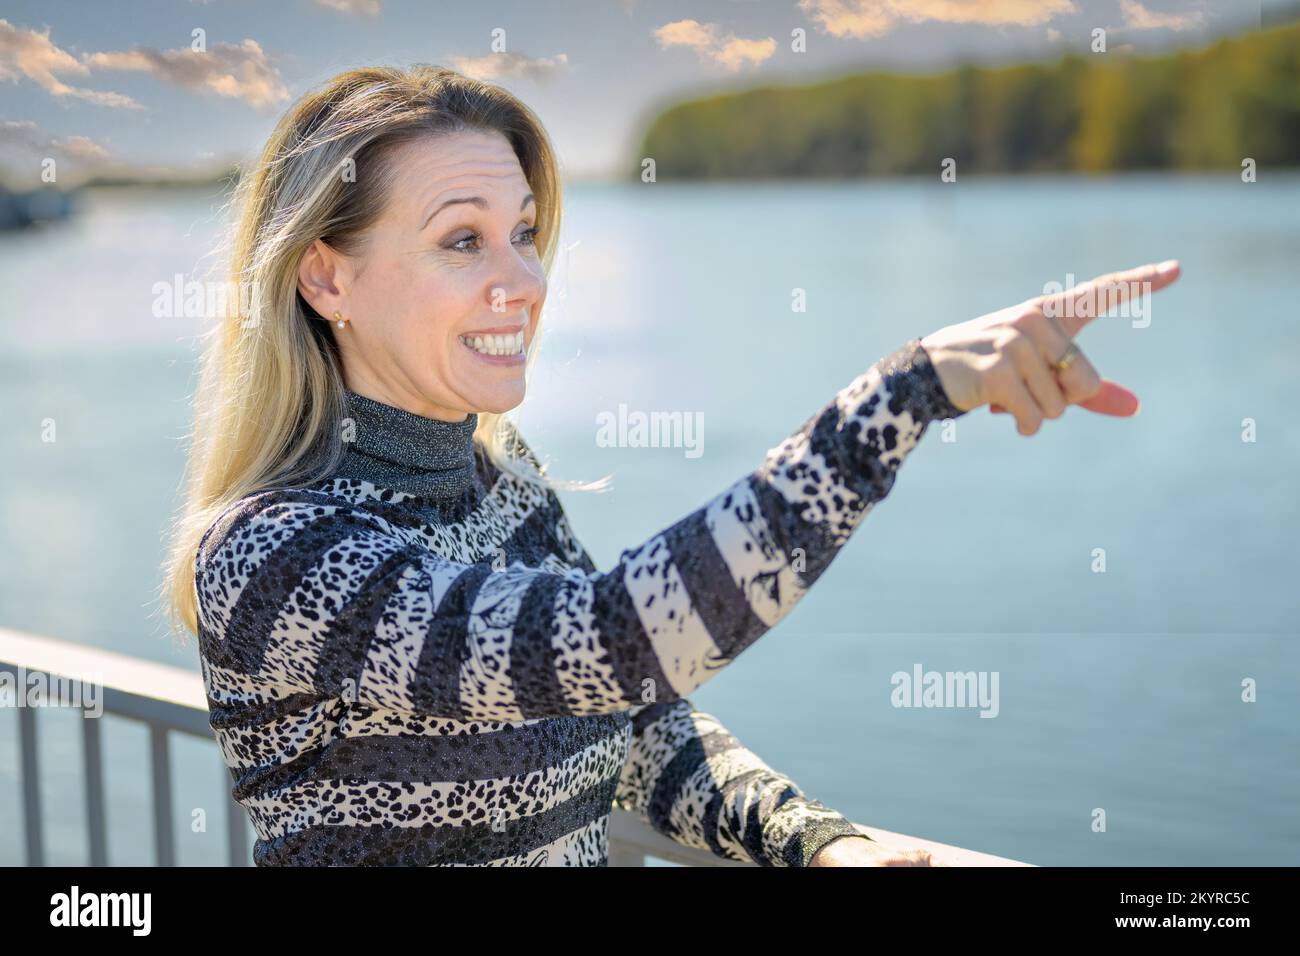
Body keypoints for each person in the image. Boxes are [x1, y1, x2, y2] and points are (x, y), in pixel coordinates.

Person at [163, 65, 1180, 867]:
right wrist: (904, 393)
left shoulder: (505, 485)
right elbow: (608, 645)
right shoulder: (276, 551)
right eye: (461, 240)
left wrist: (814, 839)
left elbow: (631, 720)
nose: (523, 278)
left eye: (522, 232)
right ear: (325, 275)